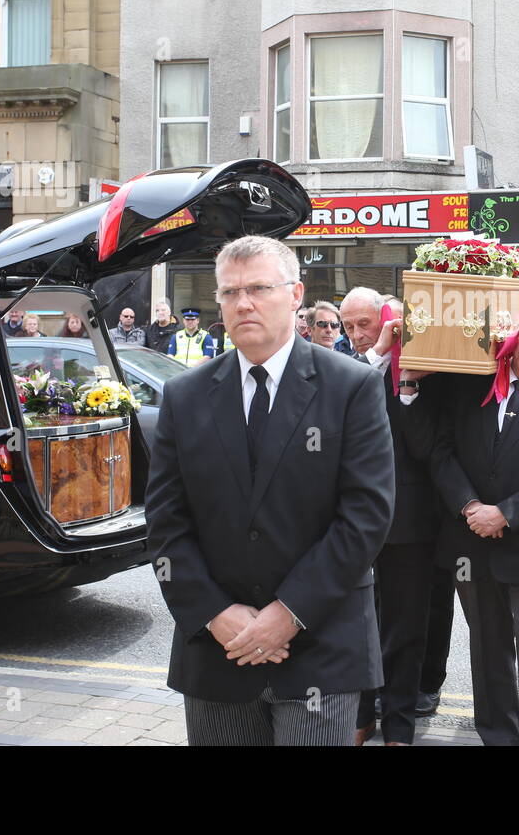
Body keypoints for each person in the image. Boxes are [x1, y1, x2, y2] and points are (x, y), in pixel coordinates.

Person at [145, 234, 395, 746]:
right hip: (219, 646)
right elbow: (166, 522)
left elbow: (366, 516)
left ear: (296, 294)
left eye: (259, 288)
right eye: (230, 292)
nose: (243, 303)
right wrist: (215, 614)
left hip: (320, 643)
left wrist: (288, 614)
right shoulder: (184, 396)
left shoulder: (351, 386)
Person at [408, 307, 519, 746]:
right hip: (471, 540)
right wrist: (470, 505)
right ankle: (499, 735)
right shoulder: (473, 386)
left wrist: (504, 513)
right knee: (487, 645)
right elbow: (441, 452)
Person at [338, 287, 445, 746]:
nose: (360, 335)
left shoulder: (425, 372)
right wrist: (377, 356)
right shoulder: (347, 368)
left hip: (411, 522)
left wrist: (406, 381)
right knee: (357, 626)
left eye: (368, 324)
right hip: (352, 524)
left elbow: (428, 445)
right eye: (350, 326)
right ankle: (360, 714)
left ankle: (399, 724)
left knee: (406, 627)